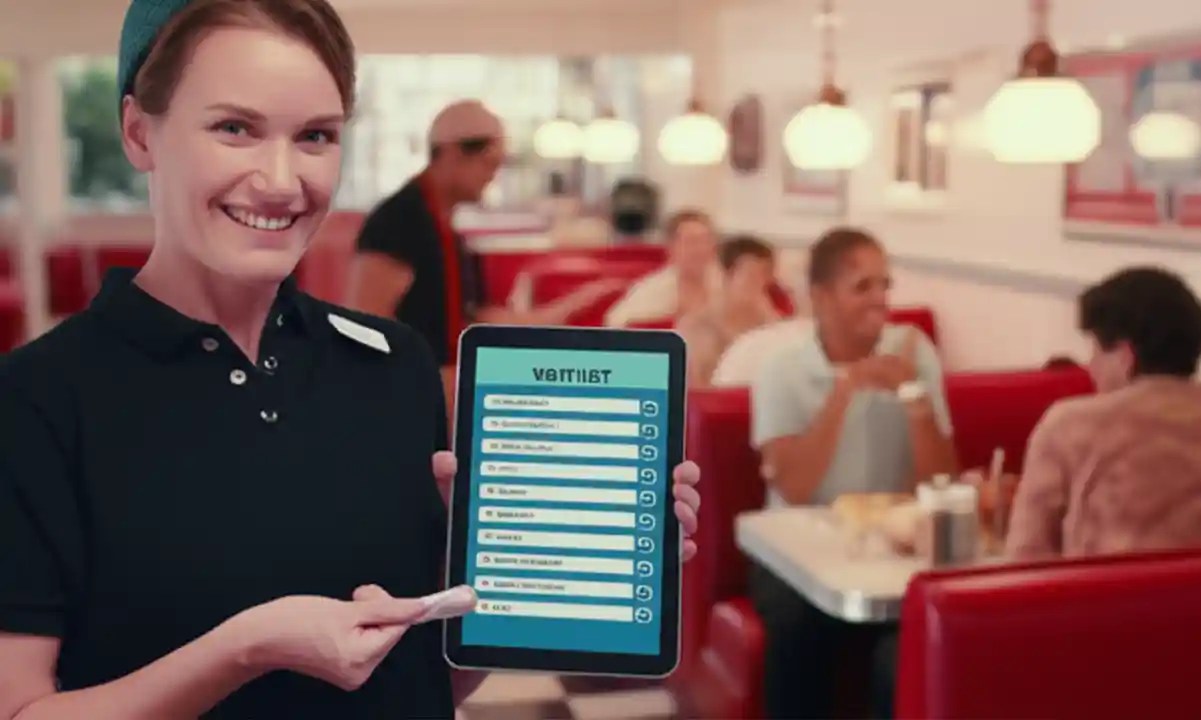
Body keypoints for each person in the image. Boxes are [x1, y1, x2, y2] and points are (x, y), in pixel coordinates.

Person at [0, 2, 701, 718]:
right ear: (138, 131)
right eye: (234, 128)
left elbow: (423, 684)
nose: (280, 180)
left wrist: (573, 563)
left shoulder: (396, 367)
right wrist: (246, 648)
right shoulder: (34, 401)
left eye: (315, 136)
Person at [747, 228, 956, 719]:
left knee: (905, 649)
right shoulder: (781, 370)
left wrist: (915, 401)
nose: (881, 300)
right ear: (820, 297)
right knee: (799, 625)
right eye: (863, 287)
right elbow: (794, 487)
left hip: (893, 549)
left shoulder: (914, 353)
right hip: (792, 552)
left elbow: (941, 483)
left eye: (885, 285)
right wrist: (843, 393)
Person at [1005, 266, 1201, 559]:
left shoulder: (1070, 425)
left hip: (1107, 601)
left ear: (1125, 356)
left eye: (1096, 351)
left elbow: (1025, 558)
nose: (1091, 367)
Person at [347, 100, 620, 365]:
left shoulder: (447, 231)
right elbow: (367, 327)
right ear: (452, 154)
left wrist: (580, 300)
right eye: (489, 164)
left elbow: (479, 320)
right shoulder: (398, 221)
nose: (493, 176)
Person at [676, 235, 781, 387]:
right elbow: (700, 393)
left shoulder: (770, 324)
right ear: (726, 276)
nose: (762, 284)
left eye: (766, 275)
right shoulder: (696, 328)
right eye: (752, 276)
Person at [604, 209, 720, 327]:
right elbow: (616, 324)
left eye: (706, 241)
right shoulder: (652, 290)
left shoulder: (727, 284)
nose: (700, 250)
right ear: (671, 248)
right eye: (691, 242)